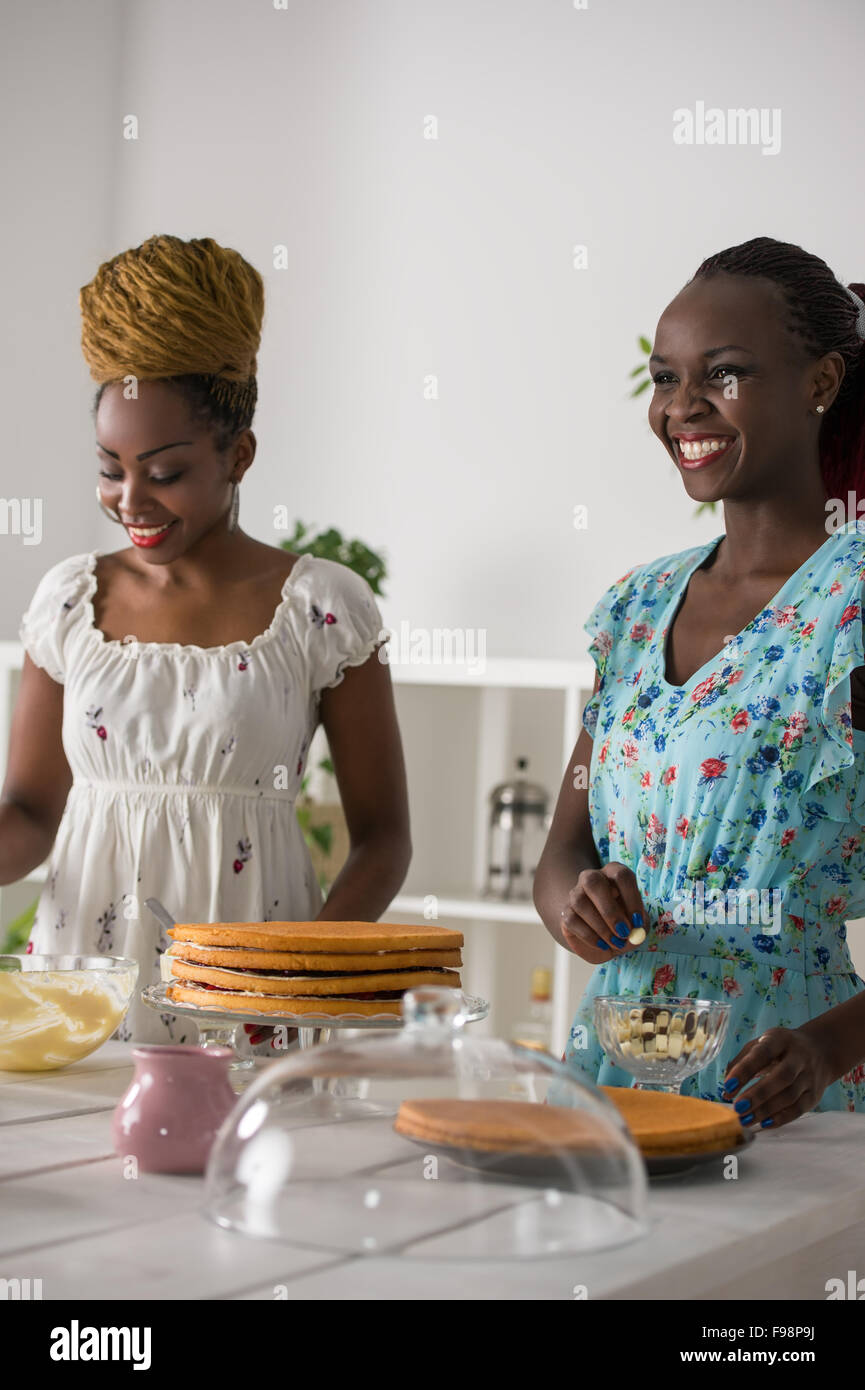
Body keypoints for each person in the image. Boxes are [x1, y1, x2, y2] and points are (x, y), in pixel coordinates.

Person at [2, 233, 411, 1045]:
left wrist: (299, 972)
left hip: (253, 997)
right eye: (110, 467)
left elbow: (384, 838)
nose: (130, 500)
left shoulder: (321, 605)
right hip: (80, 999)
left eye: (164, 472)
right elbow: (29, 811)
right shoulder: (69, 601)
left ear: (239, 454)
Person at [534, 236, 865, 1129]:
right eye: (665, 378)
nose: (683, 408)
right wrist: (581, 905)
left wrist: (831, 1048)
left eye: (722, 375)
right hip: (617, 1068)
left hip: (791, 1079)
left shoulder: (852, 603)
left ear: (819, 382)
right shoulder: (637, 607)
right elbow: (561, 853)